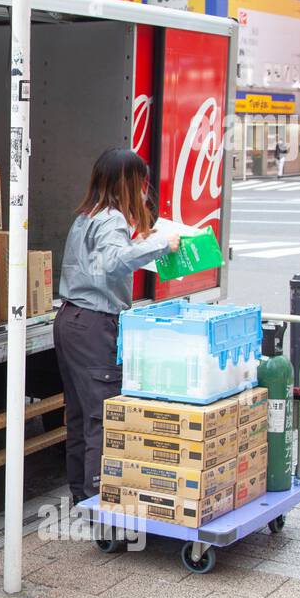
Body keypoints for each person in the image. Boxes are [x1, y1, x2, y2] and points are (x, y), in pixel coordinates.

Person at [53, 148, 179, 504]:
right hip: (94, 324)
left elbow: (98, 261)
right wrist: (159, 244)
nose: (145, 190)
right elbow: (112, 263)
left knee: (79, 415)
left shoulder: (89, 214)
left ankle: (82, 497)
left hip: (71, 320)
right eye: (142, 182)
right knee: (102, 417)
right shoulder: (111, 219)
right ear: (132, 182)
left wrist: (137, 241)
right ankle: (101, 505)